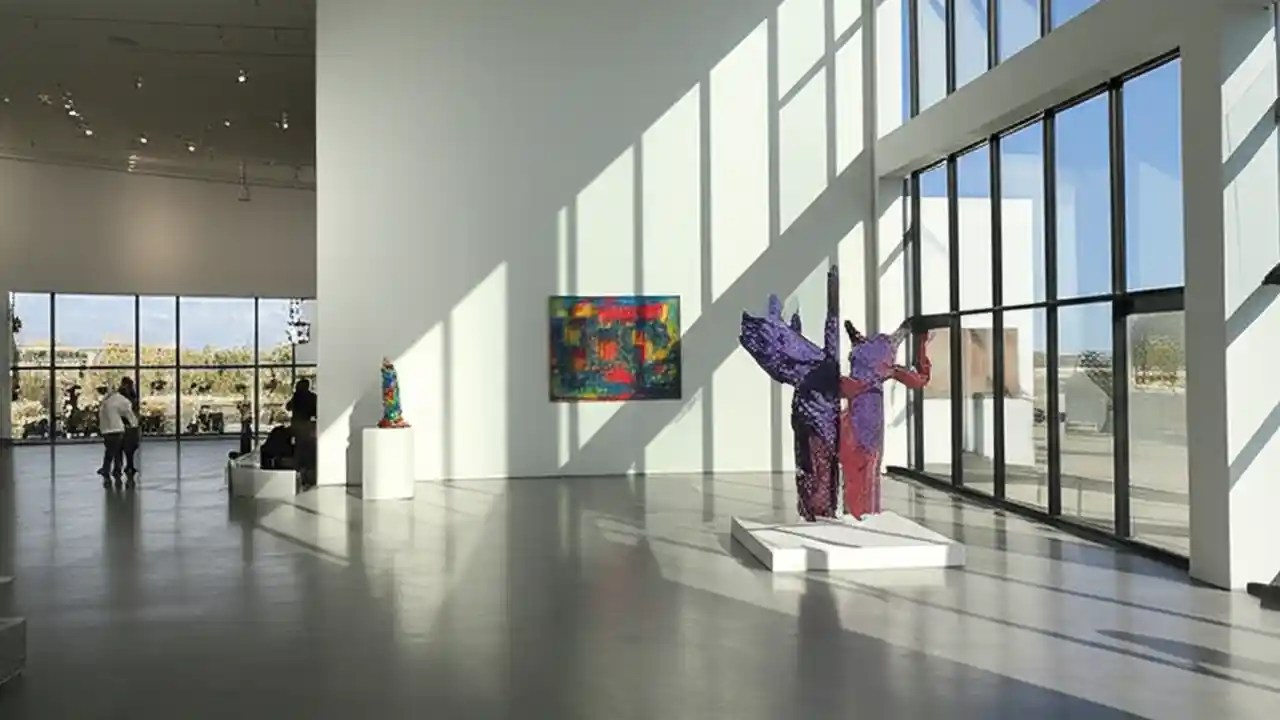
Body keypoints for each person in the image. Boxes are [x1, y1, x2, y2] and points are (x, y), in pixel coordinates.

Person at [98, 378, 138, 488]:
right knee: (115, 450)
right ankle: (115, 469)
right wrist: (134, 424)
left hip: (108, 429)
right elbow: (128, 412)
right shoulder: (120, 400)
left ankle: (111, 469)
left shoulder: (107, 401)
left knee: (112, 450)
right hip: (116, 429)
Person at [286, 379, 318, 487]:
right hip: (307, 425)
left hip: (296, 424)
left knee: (298, 448)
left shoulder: (296, 396)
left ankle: (298, 471)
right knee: (308, 448)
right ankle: (308, 474)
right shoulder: (312, 397)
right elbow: (316, 411)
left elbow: (288, 407)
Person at [119, 377, 141, 482]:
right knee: (128, 446)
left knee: (130, 446)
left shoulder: (129, 394)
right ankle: (126, 466)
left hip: (130, 422)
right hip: (127, 422)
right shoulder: (124, 395)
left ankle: (128, 465)